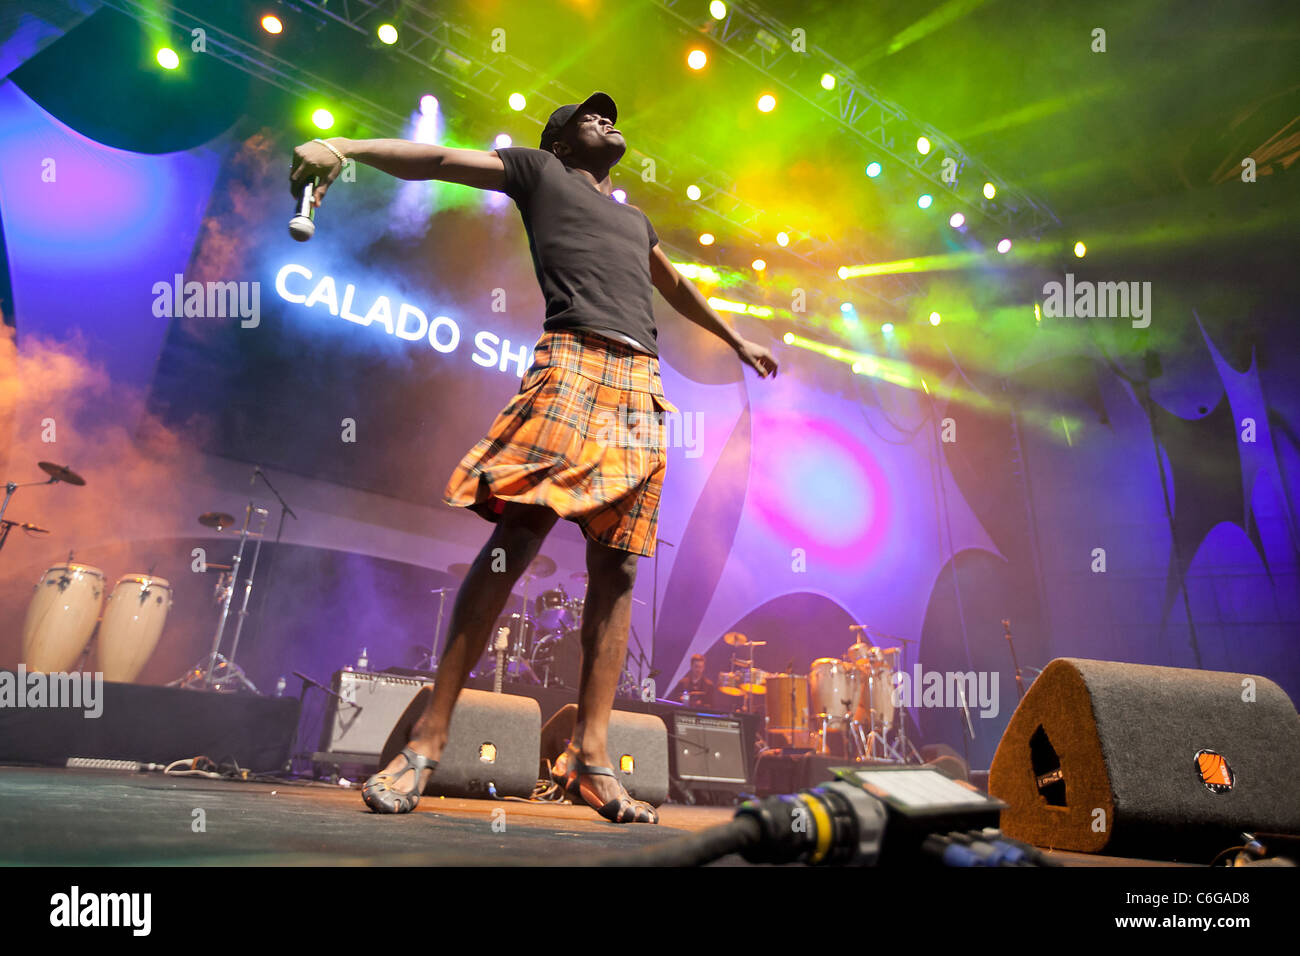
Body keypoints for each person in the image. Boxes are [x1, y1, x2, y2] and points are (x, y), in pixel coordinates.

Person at [290, 91, 777, 824]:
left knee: (618, 568)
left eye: (613, 113)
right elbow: (441, 159)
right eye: (591, 115)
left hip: (641, 383)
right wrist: (348, 149)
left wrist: (736, 338)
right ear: (561, 142)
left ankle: (589, 754)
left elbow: (672, 282)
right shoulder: (536, 172)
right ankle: (428, 739)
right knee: (513, 542)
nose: (610, 119)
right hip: (571, 364)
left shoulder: (634, 217)